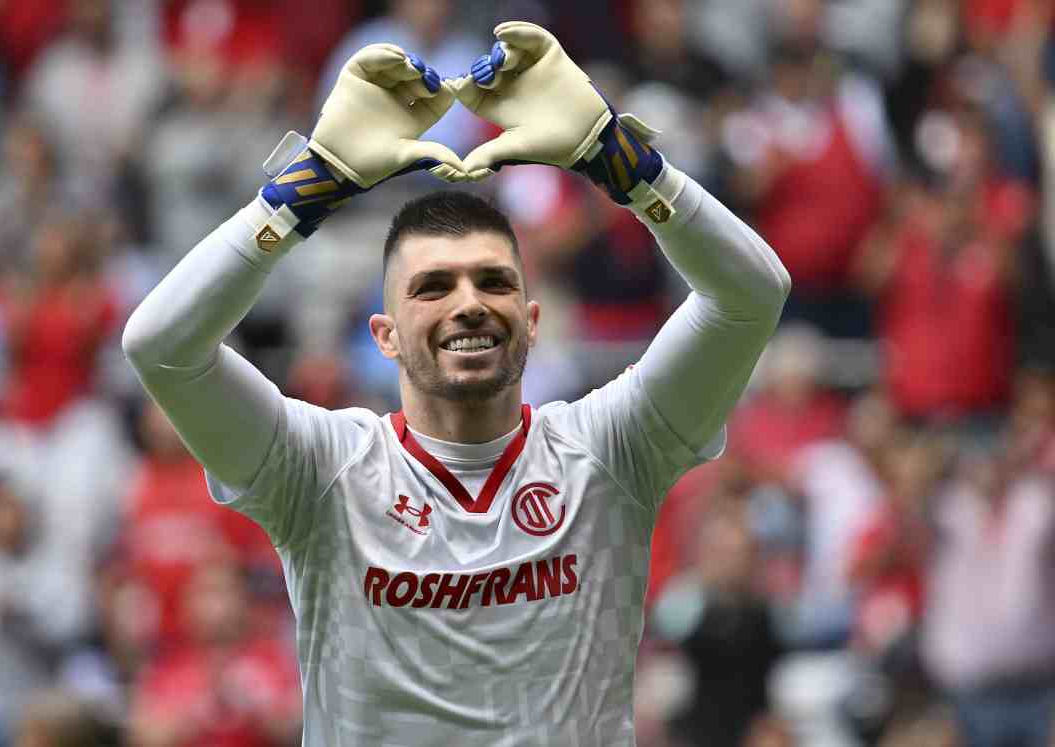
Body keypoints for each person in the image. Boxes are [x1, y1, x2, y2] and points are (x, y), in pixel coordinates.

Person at [123, 22, 790, 744]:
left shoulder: (612, 449)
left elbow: (752, 295)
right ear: (383, 335)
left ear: (532, 322)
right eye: (433, 287)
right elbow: (161, 346)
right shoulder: (321, 470)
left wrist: (616, 158)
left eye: (494, 281)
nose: (469, 301)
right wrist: (304, 189)